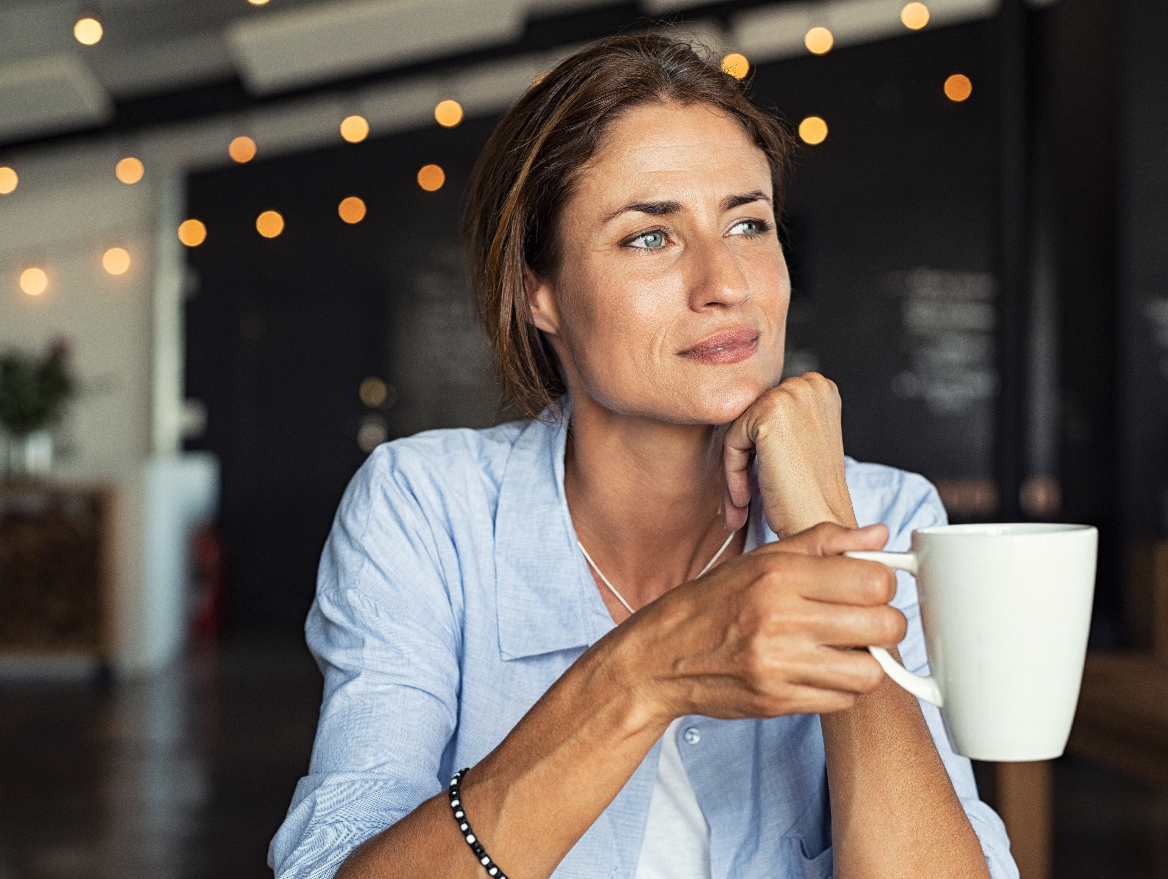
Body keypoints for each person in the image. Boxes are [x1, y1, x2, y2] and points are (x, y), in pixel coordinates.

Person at [271, 34, 1017, 879]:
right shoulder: (425, 508)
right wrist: (647, 672)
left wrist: (821, 518)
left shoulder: (890, 515)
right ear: (536, 290)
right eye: (650, 238)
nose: (726, 281)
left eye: (748, 223)